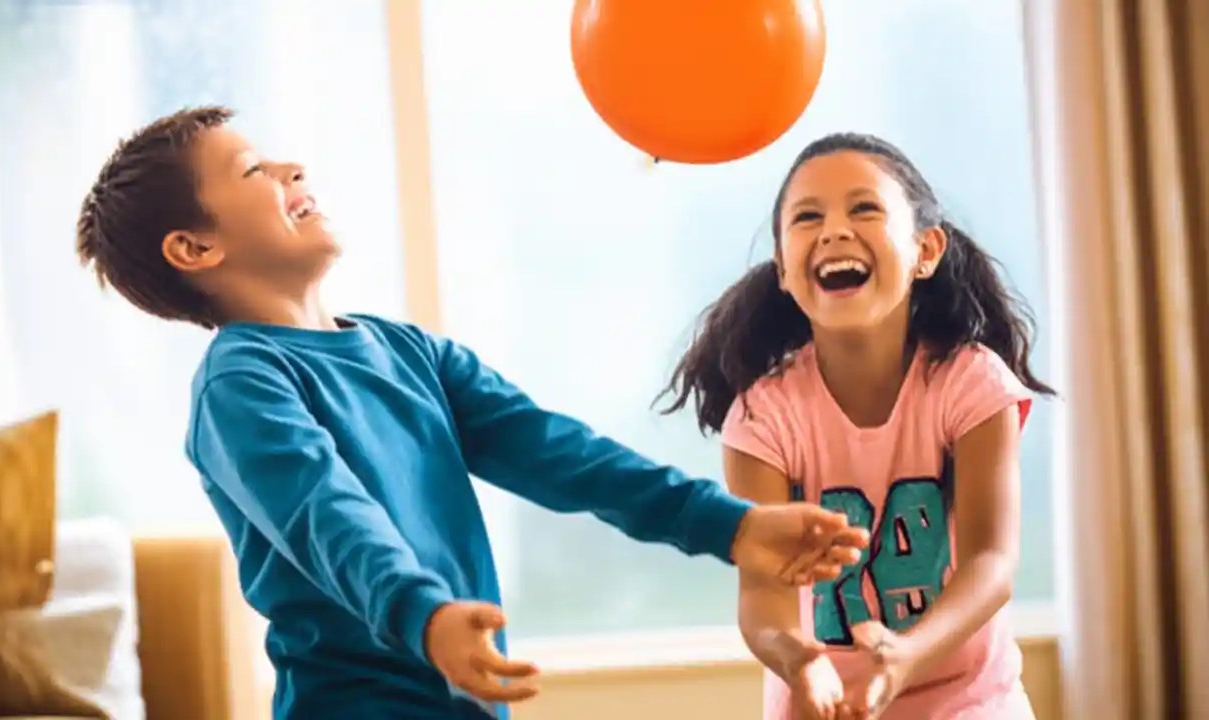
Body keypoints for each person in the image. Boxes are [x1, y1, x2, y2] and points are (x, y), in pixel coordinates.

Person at [74, 106, 869, 720]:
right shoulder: (240, 384)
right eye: (251, 170)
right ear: (194, 250)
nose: (290, 166)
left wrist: (727, 525)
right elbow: (328, 513)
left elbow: (557, 451)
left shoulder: (408, 352)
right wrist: (424, 616)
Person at [660, 132, 1056, 720]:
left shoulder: (971, 383)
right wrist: (800, 661)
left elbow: (991, 563)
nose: (834, 230)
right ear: (785, 272)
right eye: (807, 216)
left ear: (927, 250)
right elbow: (763, 603)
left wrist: (904, 655)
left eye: (864, 208)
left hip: (970, 702)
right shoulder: (763, 415)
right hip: (821, 706)